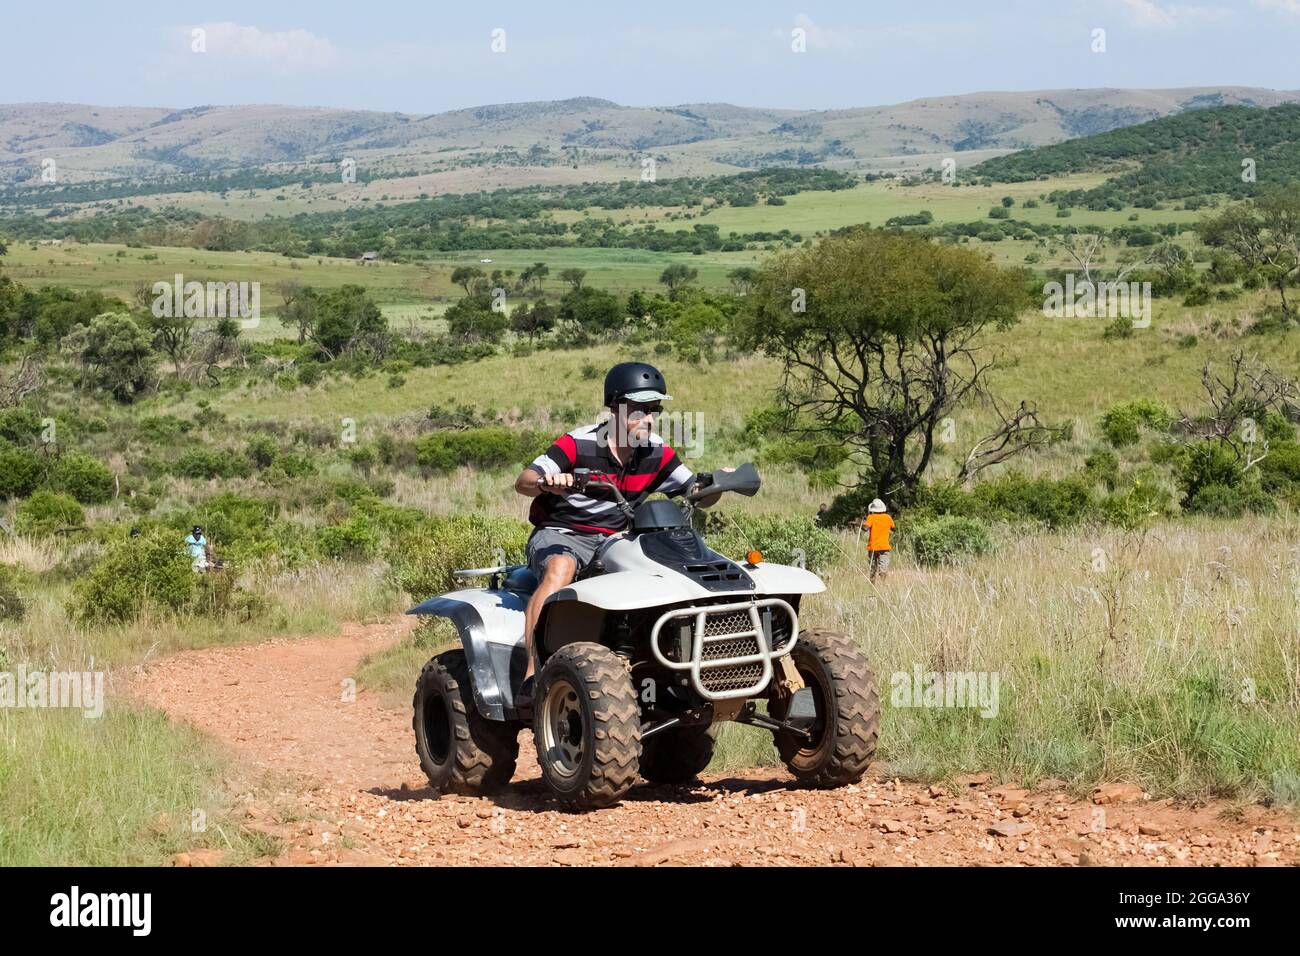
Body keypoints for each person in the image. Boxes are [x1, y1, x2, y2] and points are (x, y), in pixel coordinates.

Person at [511, 361, 729, 707]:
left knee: (661, 576)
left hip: (615, 539)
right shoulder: (577, 443)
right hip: (563, 533)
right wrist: (548, 483)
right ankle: (534, 674)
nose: (649, 419)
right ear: (615, 408)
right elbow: (523, 482)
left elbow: (695, 494)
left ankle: (667, 672)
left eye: (654, 410)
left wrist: (719, 482)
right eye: (639, 410)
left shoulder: (655, 451)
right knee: (562, 568)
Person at [862, 498, 894, 581]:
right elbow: (894, 528)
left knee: (872, 569)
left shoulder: (871, 517)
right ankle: (883, 585)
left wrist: (859, 524)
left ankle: (872, 586)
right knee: (883, 569)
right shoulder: (888, 517)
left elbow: (865, 528)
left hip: (872, 547)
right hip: (884, 547)